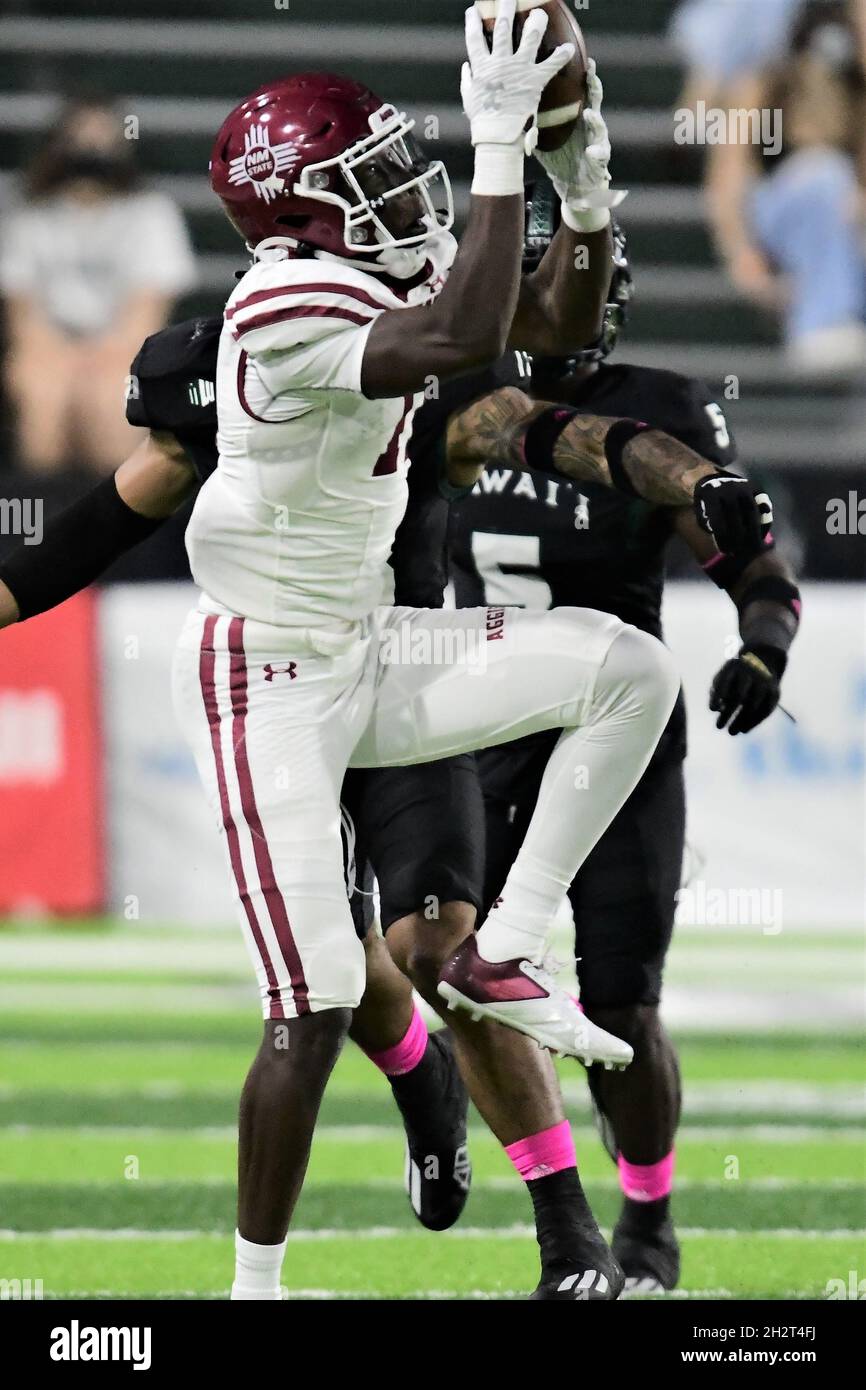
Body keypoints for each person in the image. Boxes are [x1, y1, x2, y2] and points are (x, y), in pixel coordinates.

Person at [0, 7, 768, 1301]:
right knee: (307, 999)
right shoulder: (289, 302)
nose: (396, 194)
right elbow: (463, 341)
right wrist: (498, 142)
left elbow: (546, 342)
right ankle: (259, 1283)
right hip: (268, 672)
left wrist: (574, 177)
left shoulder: (382, 282)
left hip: (384, 635)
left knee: (622, 670)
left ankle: (505, 960)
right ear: (297, 211)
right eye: (363, 176)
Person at [443, 180, 801, 1293]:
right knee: (463, 978)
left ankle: (646, 1218)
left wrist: (762, 647)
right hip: (478, 720)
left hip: (614, 734)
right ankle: (564, 1225)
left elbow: (749, 562)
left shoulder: (663, 403)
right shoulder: (450, 391)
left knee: (617, 1000)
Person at [0, 95, 196, 474]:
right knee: (42, 389)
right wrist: (62, 360)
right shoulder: (27, 215)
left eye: (102, 141)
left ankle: (112, 518)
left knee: (113, 393)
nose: (90, 153)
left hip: (121, 349)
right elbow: (24, 318)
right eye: (79, 141)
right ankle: (42, 514)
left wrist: (98, 359)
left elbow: (146, 317)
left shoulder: (151, 215)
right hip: (49, 348)